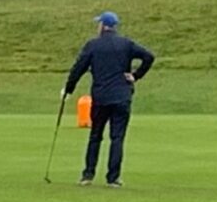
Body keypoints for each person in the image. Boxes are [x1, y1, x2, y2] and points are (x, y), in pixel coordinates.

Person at [65, 10, 154, 187]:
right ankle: (113, 178)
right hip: (122, 96)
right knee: (117, 137)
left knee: (95, 135)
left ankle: (88, 175)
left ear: (103, 26)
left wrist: (69, 88)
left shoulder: (93, 45)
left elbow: (79, 68)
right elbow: (149, 56)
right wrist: (136, 75)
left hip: (101, 97)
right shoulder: (126, 44)